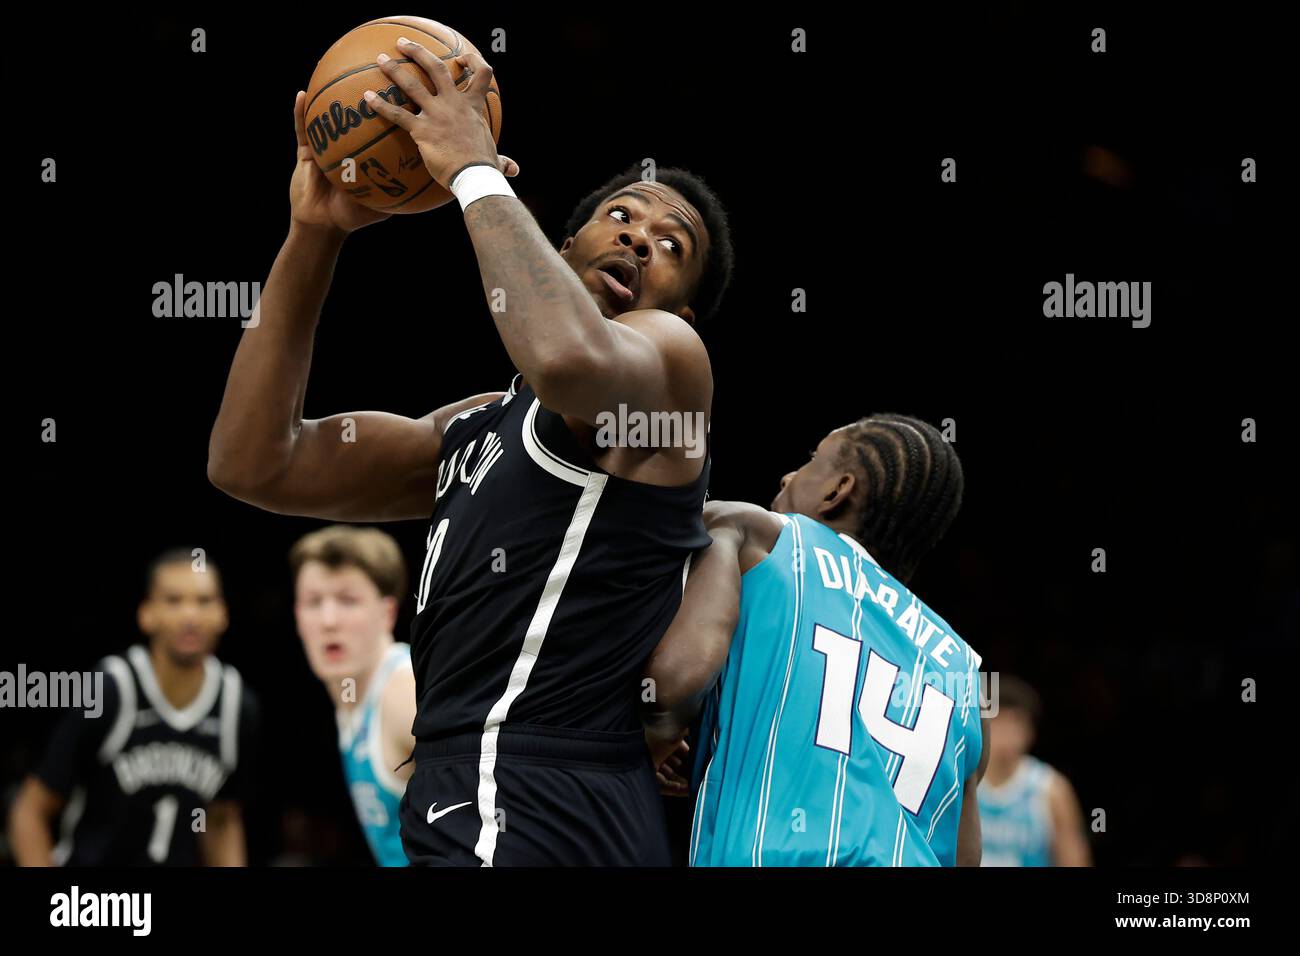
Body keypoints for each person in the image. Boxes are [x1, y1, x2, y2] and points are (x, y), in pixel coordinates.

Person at [208, 38, 734, 864]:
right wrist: (313, 235)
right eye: (622, 216)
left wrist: (472, 171)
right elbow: (253, 462)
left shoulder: (671, 362)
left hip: (535, 788)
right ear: (561, 247)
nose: (639, 239)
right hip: (489, 787)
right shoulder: (476, 426)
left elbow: (566, 359)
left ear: (685, 313)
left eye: (674, 246)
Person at [645, 415, 988, 865]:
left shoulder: (758, 534)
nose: (789, 476)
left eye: (811, 460)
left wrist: (650, 743)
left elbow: (673, 684)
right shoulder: (965, 669)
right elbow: (965, 857)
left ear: (837, 490)